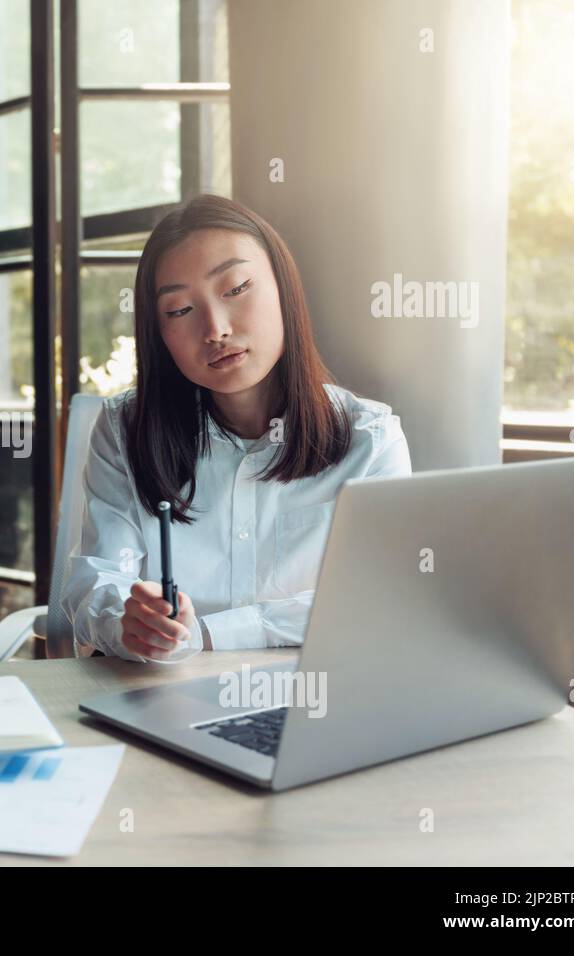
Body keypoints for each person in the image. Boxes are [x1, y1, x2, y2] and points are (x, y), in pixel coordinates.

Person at [62, 194, 412, 662]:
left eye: (235, 288)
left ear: (284, 288)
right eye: (180, 311)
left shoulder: (370, 440)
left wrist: (207, 633)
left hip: (315, 697)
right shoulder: (126, 431)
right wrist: (125, 620)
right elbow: (99, 579)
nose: (215, 328)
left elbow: (378, 598)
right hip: (162, 695)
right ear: (158, 333)